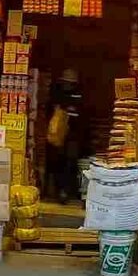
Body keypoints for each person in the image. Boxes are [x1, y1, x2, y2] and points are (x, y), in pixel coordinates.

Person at [46, 68, 87, 203]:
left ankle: (67, 191)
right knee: (59, 163)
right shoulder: (57, 94)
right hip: (59, 136)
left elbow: (82, 115)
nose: (68, 85)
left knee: (70, 163)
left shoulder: (78, 94)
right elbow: (50, 111)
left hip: (73, 136)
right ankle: (60, 191)